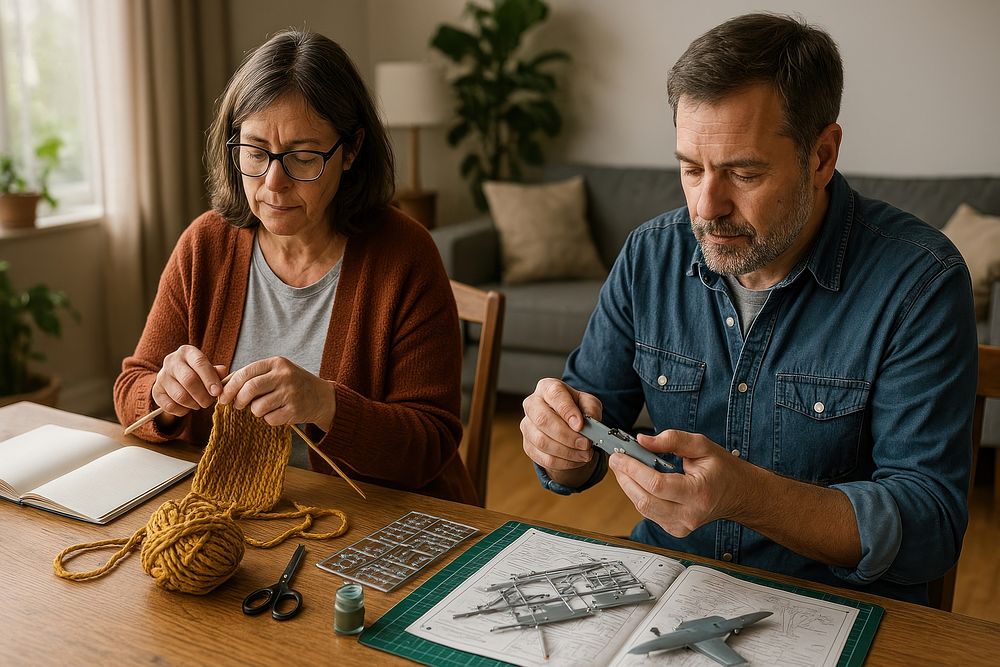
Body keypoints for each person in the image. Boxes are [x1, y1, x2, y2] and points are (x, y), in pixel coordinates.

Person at [520, 13, 977, 603]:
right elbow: (581, 431)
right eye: (690, 169)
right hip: (668, 590)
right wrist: (558, 446)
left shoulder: (920, 282)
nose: (708, 206)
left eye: (744, 173)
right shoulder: (649, 256)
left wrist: (747, 497)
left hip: (832, 609)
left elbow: (930, 527)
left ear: (822, 155)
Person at [115, 30, 476, 504]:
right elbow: (129, 389)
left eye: (303, 157)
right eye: (256, 152)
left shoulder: (405, 255)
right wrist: (163, 398)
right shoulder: (206, 244)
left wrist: (325, 405)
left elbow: (431, 445)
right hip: (236, 515)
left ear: (351, 151)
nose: (274, 182)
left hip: (374, 519)